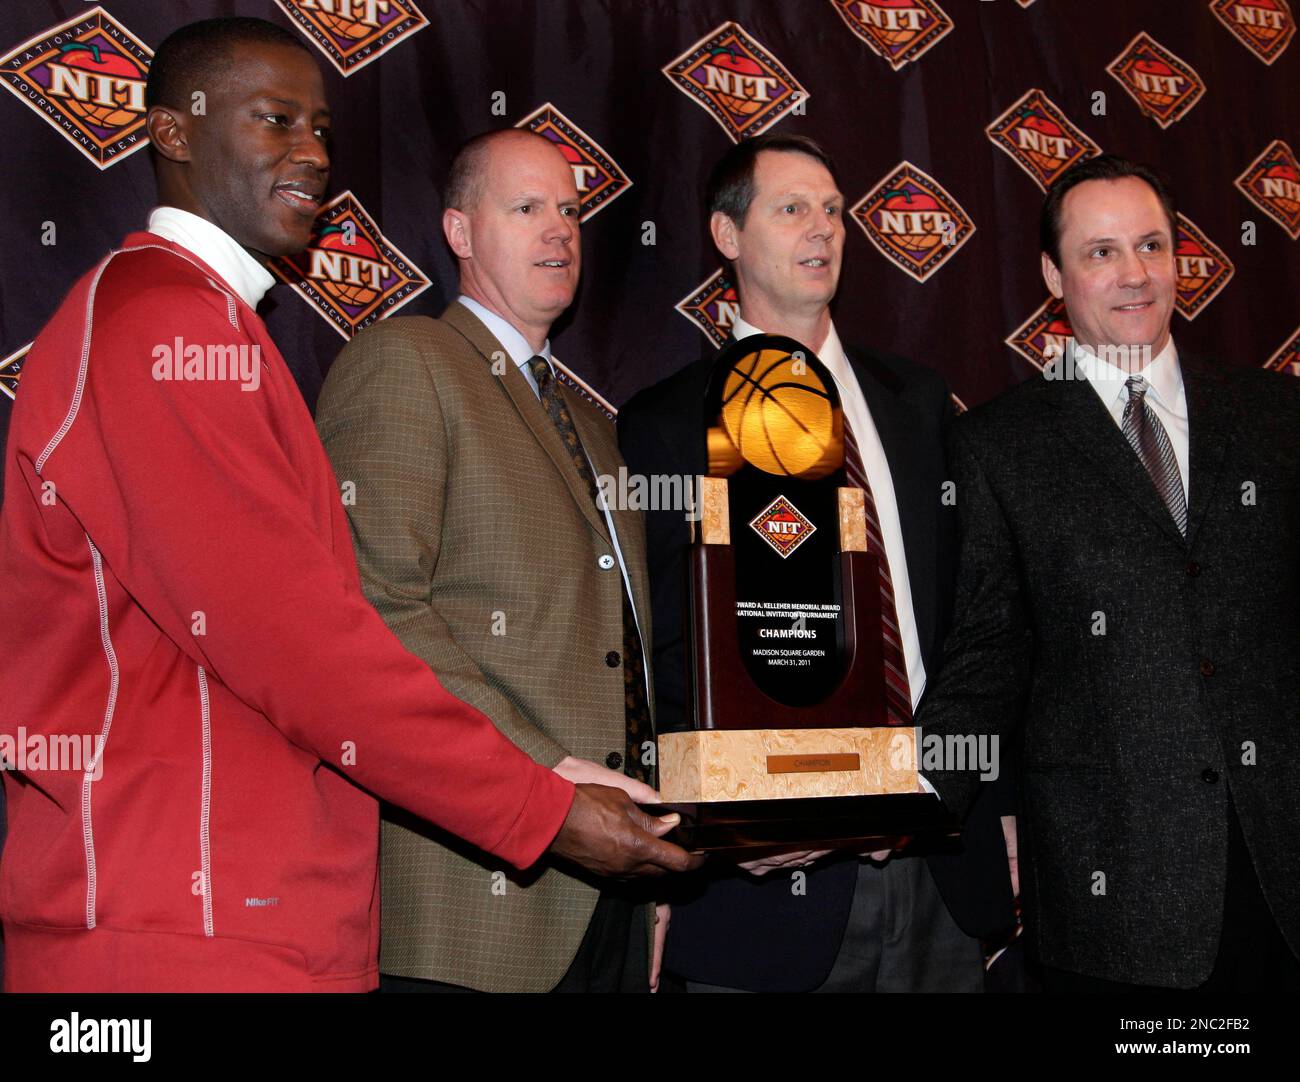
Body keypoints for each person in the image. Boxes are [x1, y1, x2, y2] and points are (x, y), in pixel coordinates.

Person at [0, 18, 694, 994]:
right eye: (274, 119)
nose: (313, 153)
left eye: (322, 127)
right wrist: (541, 805)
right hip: (175, 935)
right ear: (173, 130)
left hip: (261, 926)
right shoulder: (157, 321)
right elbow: (302, 641)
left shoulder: (213, 330)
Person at [618, 133, 1017, 992]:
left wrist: (950, 787)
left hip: (939, 866)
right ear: (727, 237)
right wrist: (735, 814)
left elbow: (981, 620)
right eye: (792, 207)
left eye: (834, 211)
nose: (823, 228)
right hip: (764, 893)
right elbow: (661, 654)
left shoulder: (920, 402)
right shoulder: (665, 423)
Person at [918, 154, 1300, 991]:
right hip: (1114, 893)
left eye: (1152, 246)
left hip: (1282, 877)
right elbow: (987, 657)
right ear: (1054, 275)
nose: (1134, 274)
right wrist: (908, 796)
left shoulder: (1277, 416)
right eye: (1101, 252)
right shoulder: (1000, 446)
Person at [317, 128, 668, 993]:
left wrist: (648, 848)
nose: (560, 231)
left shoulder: (594, 429)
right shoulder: (407, 362)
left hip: (611, 890)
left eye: (571, 210)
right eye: (526, 208)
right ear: (460, 232)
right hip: (471, 906)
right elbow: (374, 607)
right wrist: (546, 780)